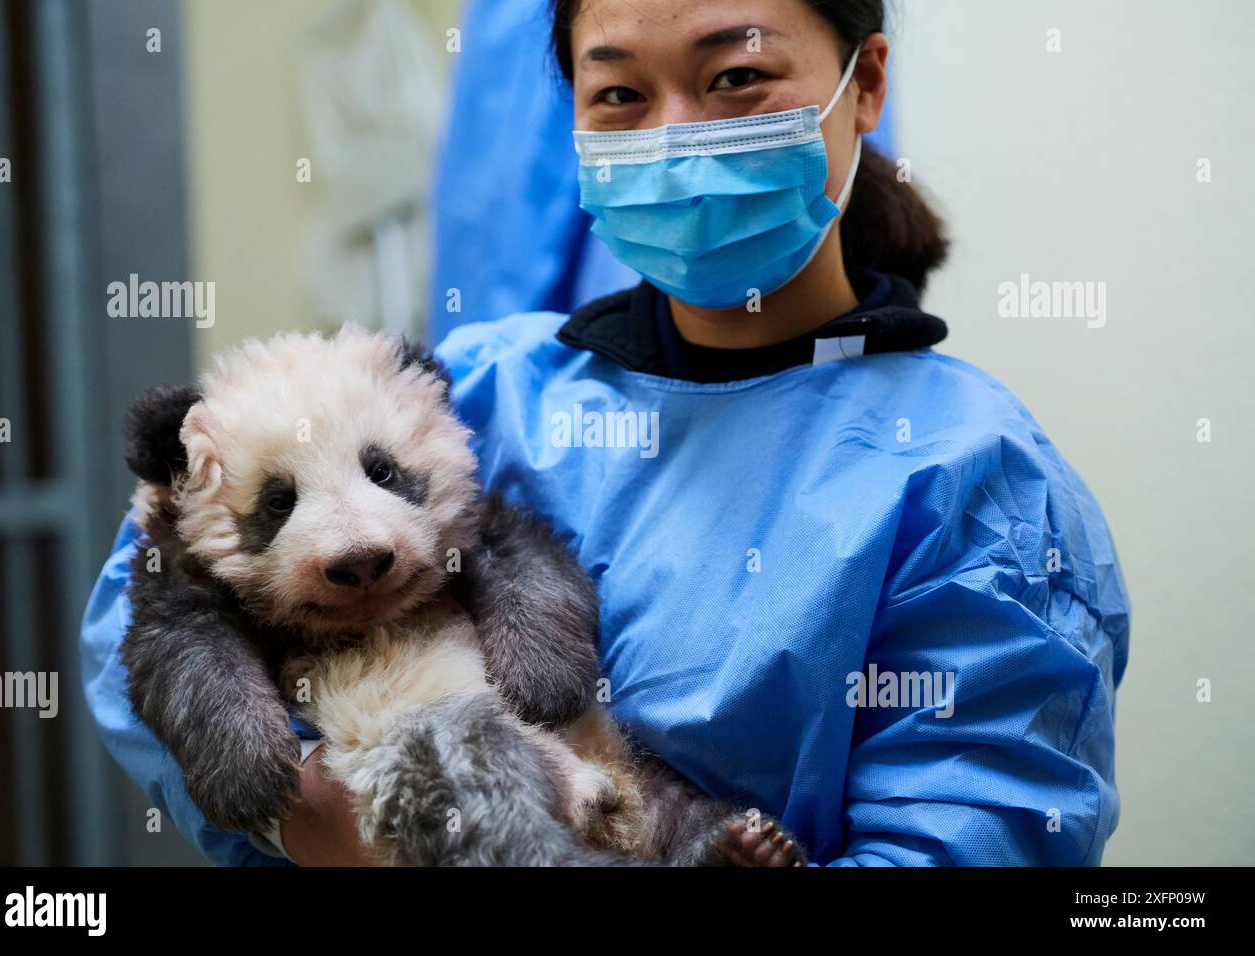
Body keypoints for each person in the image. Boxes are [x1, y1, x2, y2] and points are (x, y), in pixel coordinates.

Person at [82, 0, 1129, 866]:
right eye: (619, 93)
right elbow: (151, 614)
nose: (672, 135)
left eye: (733, 79)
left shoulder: (968, 481)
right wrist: (313, 817)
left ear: (866, 84)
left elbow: (972, 838)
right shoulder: (481, 386)